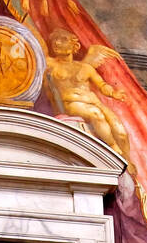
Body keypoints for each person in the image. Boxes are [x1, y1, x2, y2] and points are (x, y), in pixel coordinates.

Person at [45, 29, 134, 171]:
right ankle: (115, 151)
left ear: (74, 45)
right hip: (71, 104)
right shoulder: (50, 64)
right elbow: (36, 47)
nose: (57, 43)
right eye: (55, 40)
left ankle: (128, 163)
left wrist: (114, 93)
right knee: (96, 115)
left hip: (93, 102)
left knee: (120, 130)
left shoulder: (86, 67)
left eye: (62, 39)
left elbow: (102, 85)